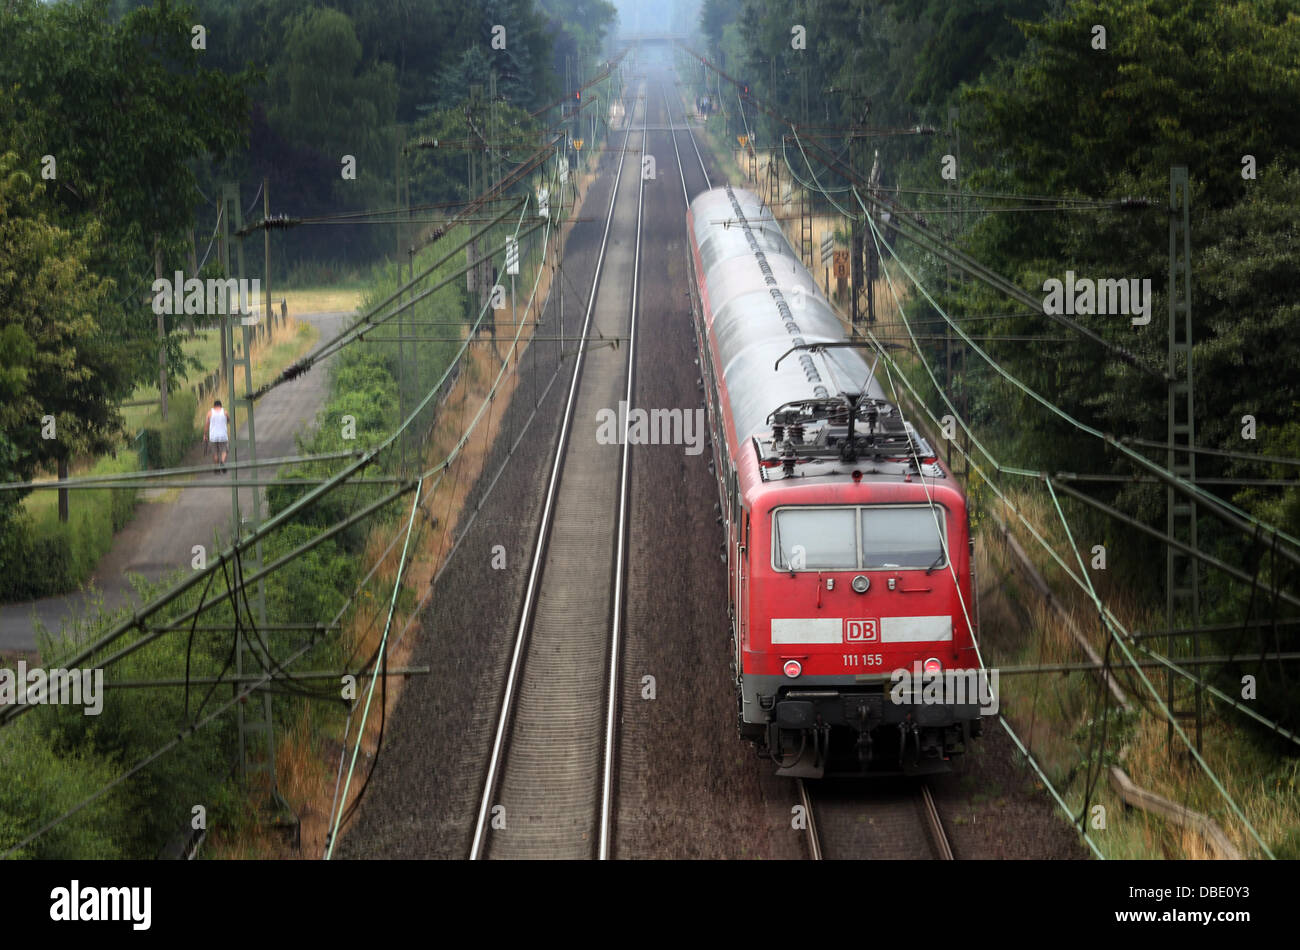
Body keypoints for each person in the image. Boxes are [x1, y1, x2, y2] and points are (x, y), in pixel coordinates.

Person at [204, 399, 230, 473]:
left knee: (214, 453)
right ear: (221, 406)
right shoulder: (225, 412)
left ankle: (217, 468)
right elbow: (229, 420)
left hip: (213, 437)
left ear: (214, 406)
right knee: (224, 450)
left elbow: (206, 425)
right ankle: (222, 462)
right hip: (223, 436)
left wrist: (205, 435)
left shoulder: (209, 413)